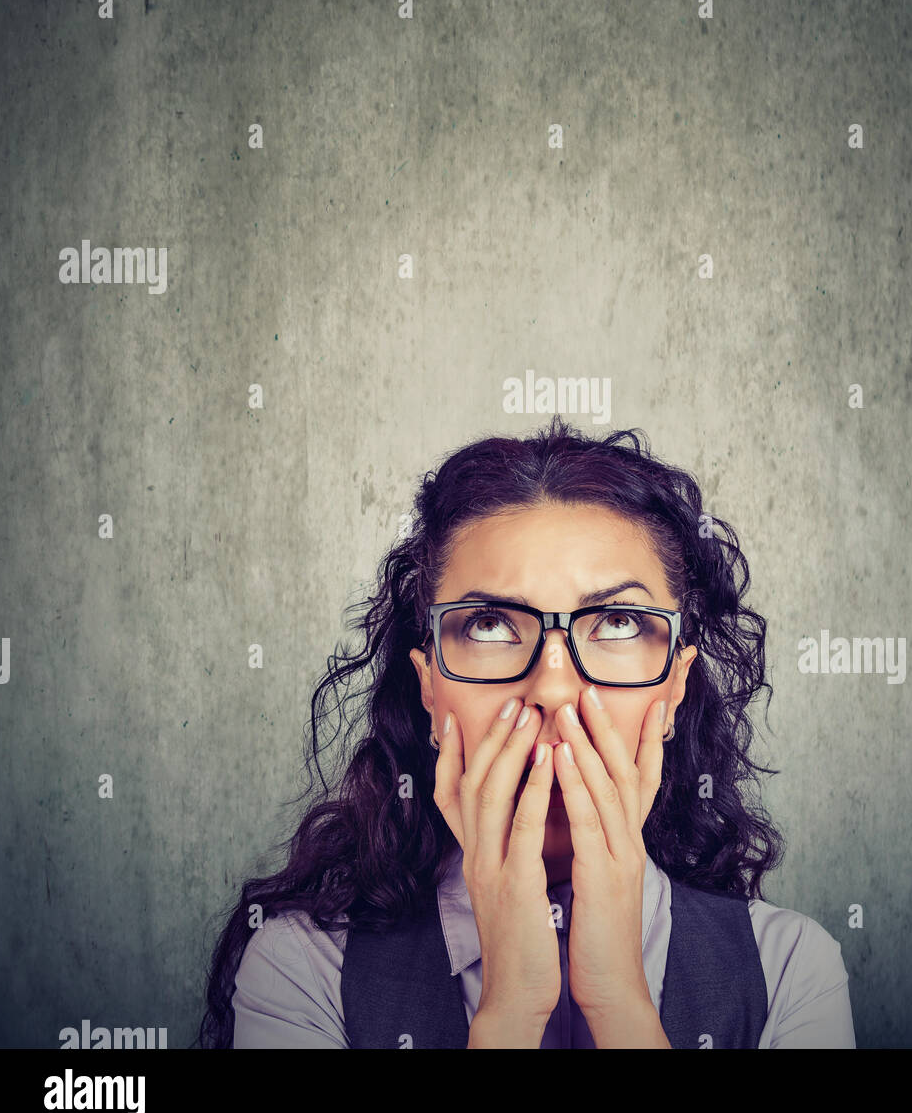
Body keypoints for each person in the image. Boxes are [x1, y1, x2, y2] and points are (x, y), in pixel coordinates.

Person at [199, 417, 856, 1048]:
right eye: (487, 625)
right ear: (430, 688)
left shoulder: (787, 970)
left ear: (675, 684)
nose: (551, 687)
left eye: (619, 622)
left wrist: (617, 999)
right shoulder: (304, 969)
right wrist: (510, 1007)